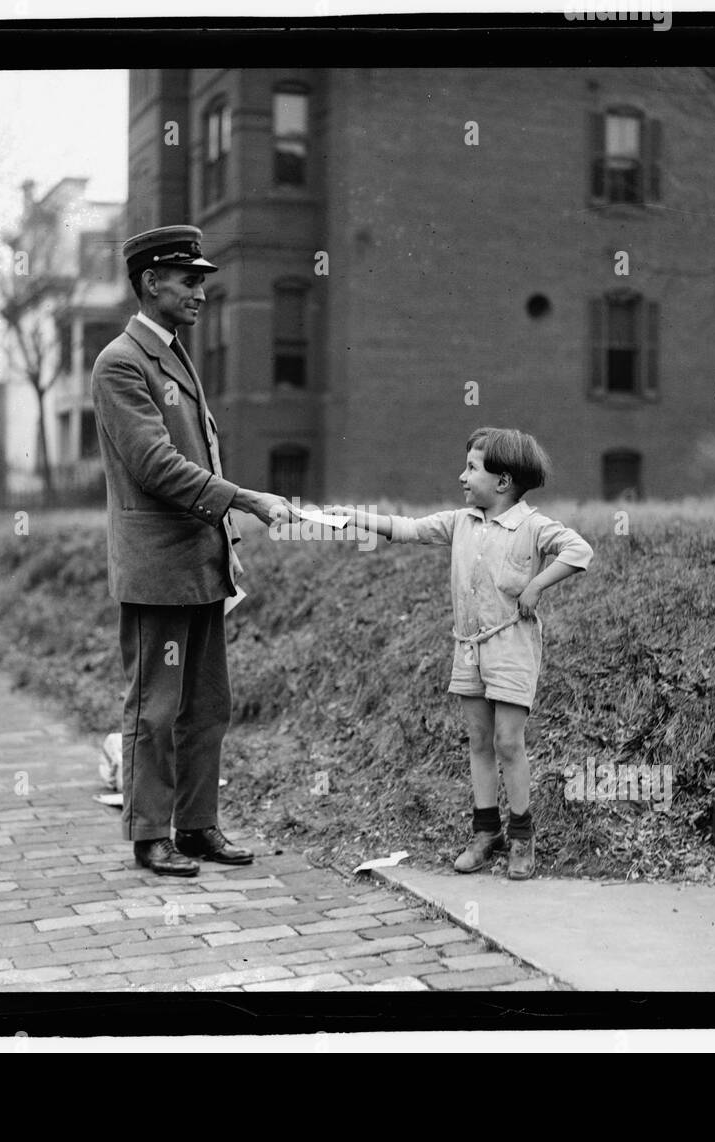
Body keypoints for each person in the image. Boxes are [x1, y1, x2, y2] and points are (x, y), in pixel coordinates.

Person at [90, 225, 290, 878]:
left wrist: (224, 542)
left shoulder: (172, 354)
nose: (202, 292)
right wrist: (246, 501)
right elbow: (156, 465)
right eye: (189, 280)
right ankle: (151, 835)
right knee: (156, 705)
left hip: (199, 564)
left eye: (202, 279)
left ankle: (197, 826)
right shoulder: (121, 362)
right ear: (151, 283)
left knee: (207, 705)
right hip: (156, 571)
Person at [341, 427, 592, 879]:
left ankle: (521, 837)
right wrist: (357, 517)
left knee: (507, 742)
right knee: (478, 740)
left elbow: (579, 549)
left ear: (502, 481)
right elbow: (409, 528)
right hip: (468, 648)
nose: (462, 476)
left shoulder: (532, 525)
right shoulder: (460, 521)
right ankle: (485, 832)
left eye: (472, 468)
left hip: (512, 646)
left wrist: (537, 584)